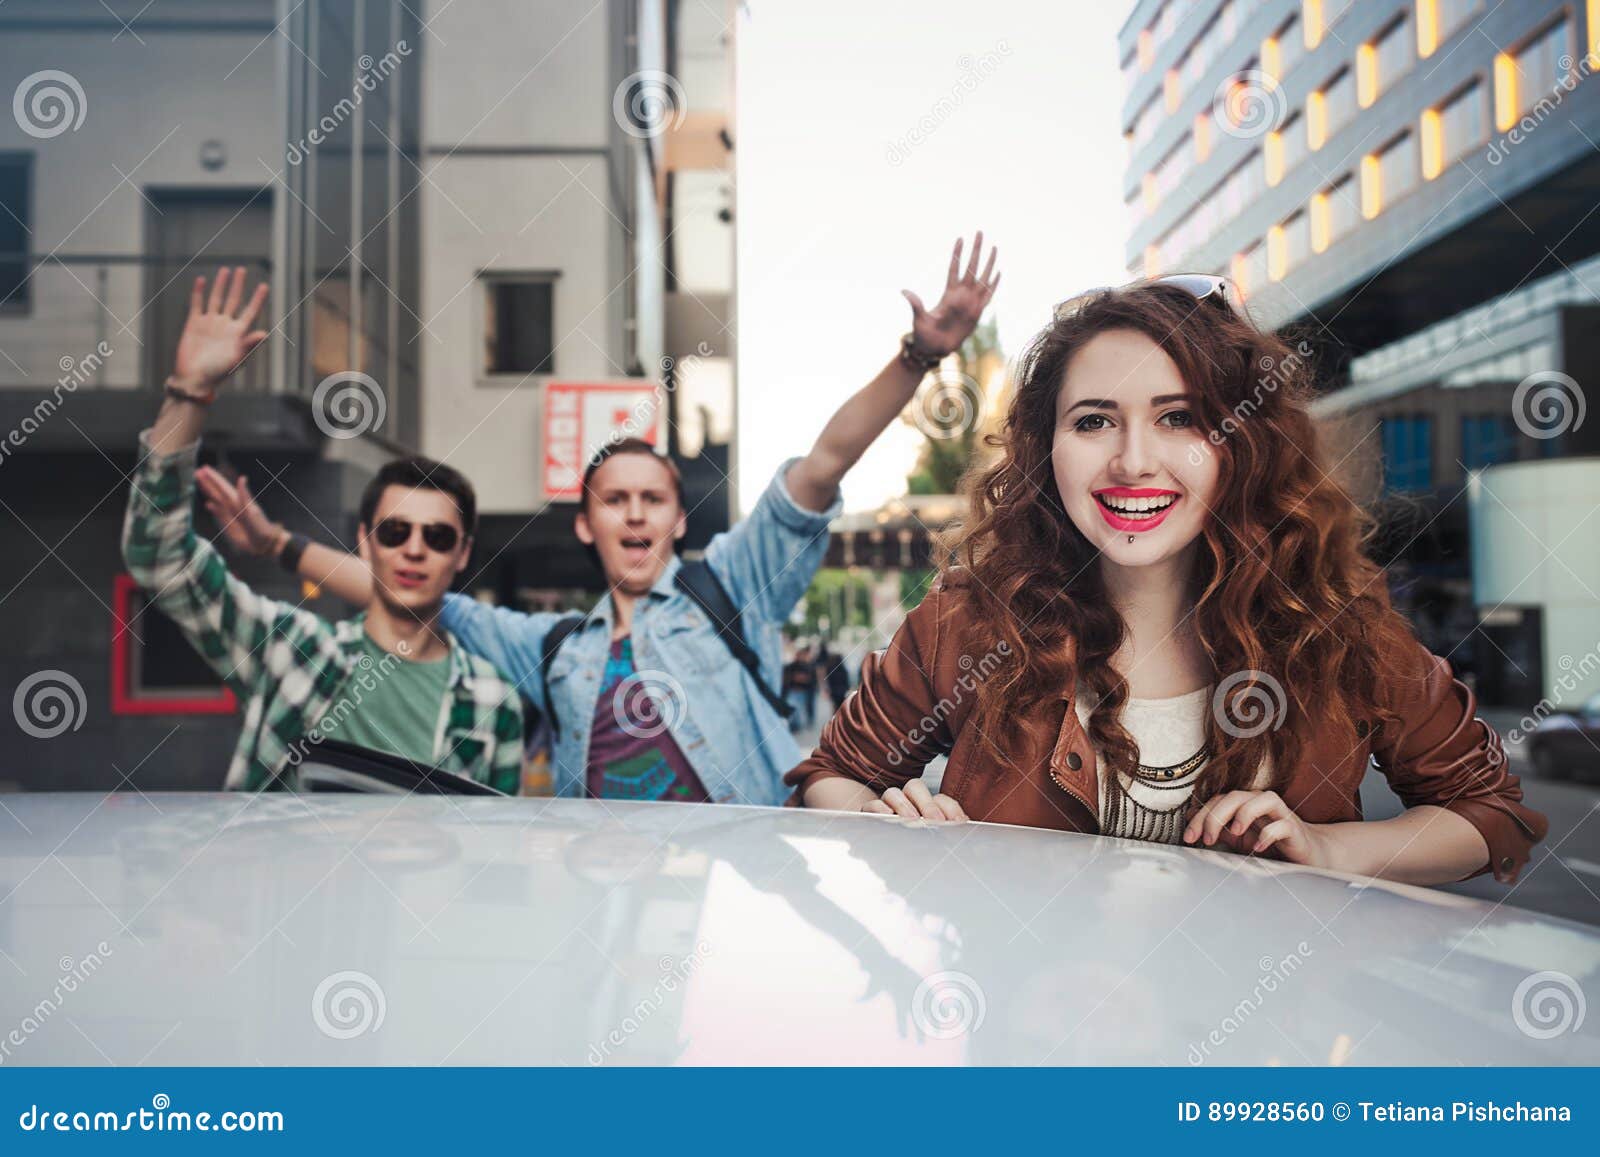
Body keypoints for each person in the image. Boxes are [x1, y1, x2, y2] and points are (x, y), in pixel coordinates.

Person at [787, 276, 1548, 886]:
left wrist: (1329, 849)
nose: (1132, 461)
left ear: (1240, 441)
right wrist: (887, 822)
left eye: (1180, 417)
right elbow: (828, 778)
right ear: (1044, 449)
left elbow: (1486, 813)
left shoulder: (1334, 618)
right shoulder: (966, 623)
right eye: (1093, 421)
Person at [197, 234, 1002, 807]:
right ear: (586, 525)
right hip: (609, 903)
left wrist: (918, 355)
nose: (634, 513)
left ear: (677, 518)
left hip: (743, 884)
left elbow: (824, 463)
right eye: (614, 500)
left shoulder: (729, 584)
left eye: (651, 498)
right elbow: (412, 588)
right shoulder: (551, 648)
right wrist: (277, 546)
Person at [124, 267, 525, 792]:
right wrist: (190, 394)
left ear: (463, 553)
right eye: (395, 531)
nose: (414, 549)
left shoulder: (495, 701)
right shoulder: (294, 650)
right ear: (364, 541)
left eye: (438, 536)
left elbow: (492, 858)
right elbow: (159, 558)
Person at [783, 644, 819, 732]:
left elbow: (810, 679)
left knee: (803, 708)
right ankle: (795, 725)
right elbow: (789, 677)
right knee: (794, 708)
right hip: (794, 690)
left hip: (805, 691)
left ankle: (805, 722)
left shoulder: (809, 666)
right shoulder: (791, 666)